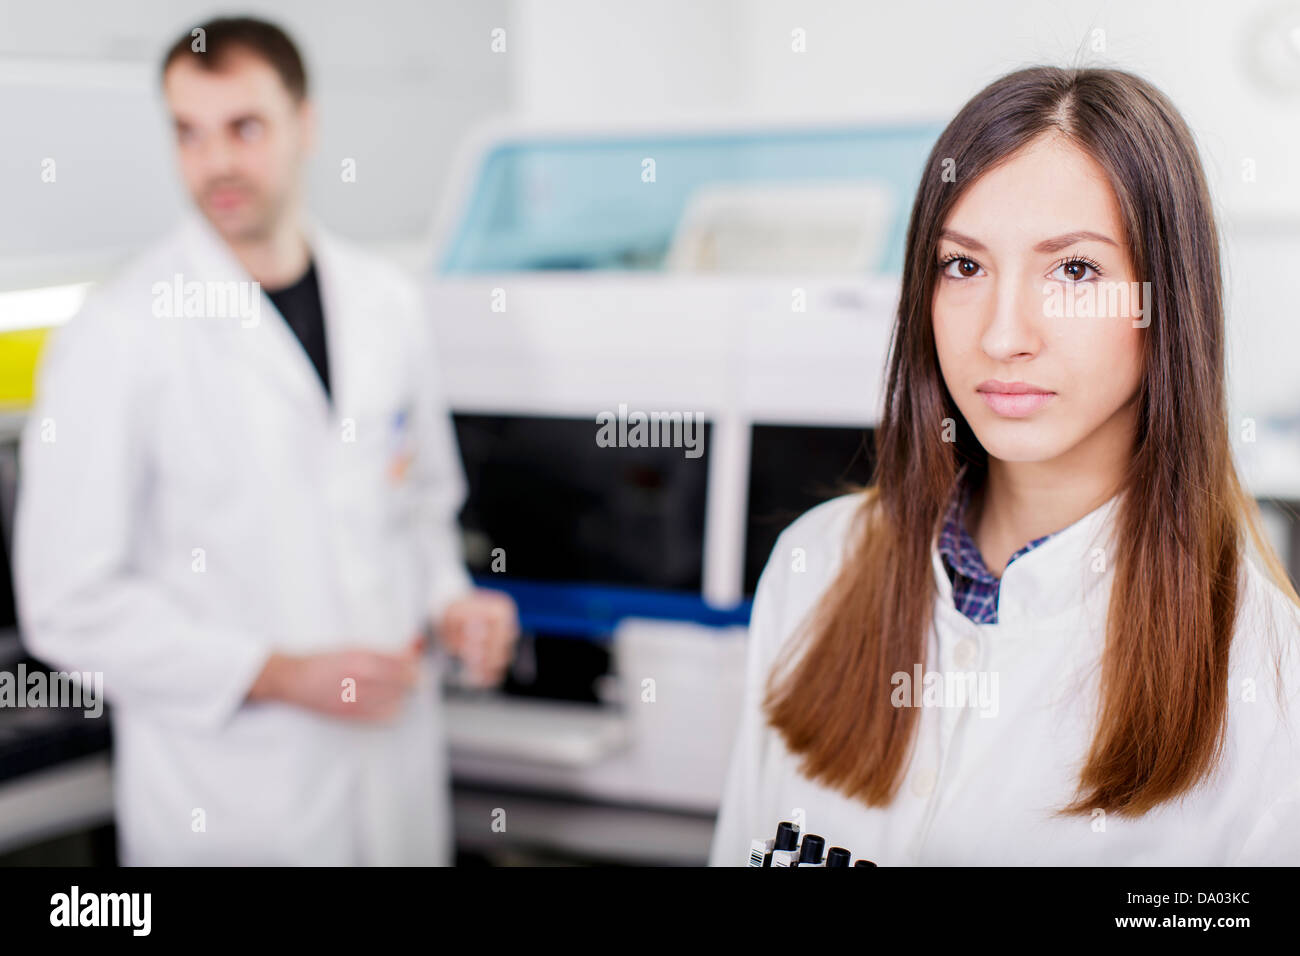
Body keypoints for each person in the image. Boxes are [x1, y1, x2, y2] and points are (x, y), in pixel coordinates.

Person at [711, 66, 1300, 865]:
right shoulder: (817, 565)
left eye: (1075, 269)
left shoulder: (1268, 675)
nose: (1001, 335)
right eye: (964, 266)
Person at [14, 17, 518, 865]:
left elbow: (423, 506)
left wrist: (452, 602)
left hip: (391, 776)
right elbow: (67, 603)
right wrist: (280, 673)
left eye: (244, 128)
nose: (216, 163)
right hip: (234, 796)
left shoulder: (385, 302)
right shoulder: (117, 334)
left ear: (305, 124)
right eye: (189, 133)